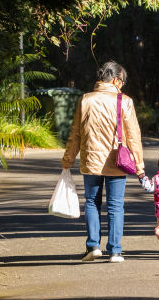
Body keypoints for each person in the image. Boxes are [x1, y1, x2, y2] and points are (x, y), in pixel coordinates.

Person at [61, 61, 145, 263]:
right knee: (115, 206)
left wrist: (68, 159)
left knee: (92, 202)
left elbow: (75, 133)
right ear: (115, 80)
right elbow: (133, 137)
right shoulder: (125, 101)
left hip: (91, 159)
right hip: (118, 160)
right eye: (122, 81)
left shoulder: (85, 99)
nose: (122, 85)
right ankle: (115, 251)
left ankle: (93, 246)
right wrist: (139, 167)